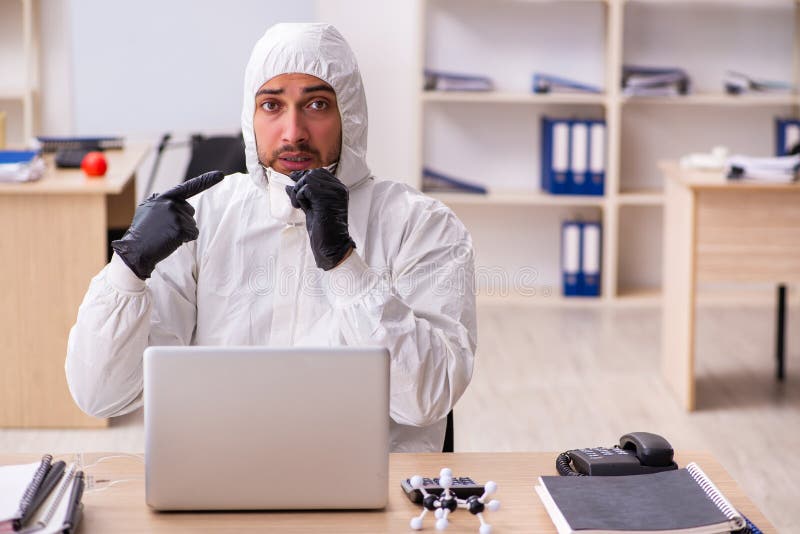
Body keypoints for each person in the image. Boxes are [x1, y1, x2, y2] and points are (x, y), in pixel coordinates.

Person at [65, 22, 476, 452]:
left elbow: (425, 399)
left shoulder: (423, 226)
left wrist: (345, 264)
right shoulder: (204, 216)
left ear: (348, 114)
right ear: (251, 116)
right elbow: (100, 397)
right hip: (222, 481)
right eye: (272, 105)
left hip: (374, 499)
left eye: (316, 104)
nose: (293, 131)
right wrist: (127, 270)